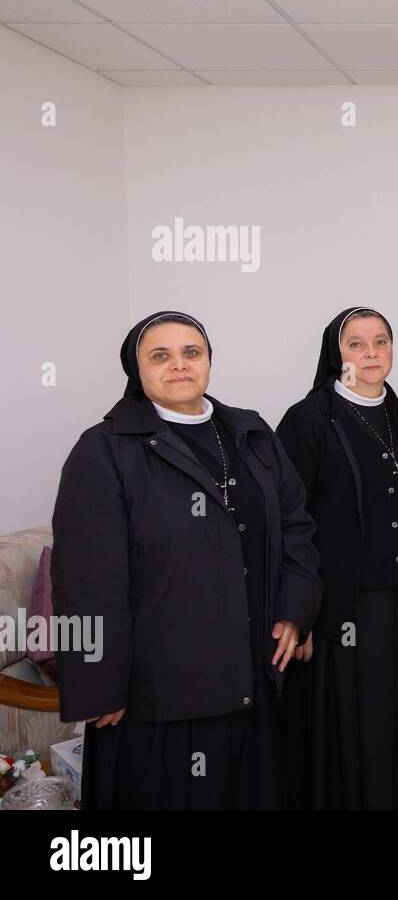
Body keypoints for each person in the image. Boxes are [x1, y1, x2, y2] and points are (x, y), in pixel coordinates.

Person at [52, 311, 321, 809]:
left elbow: (297, 528)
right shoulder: (105, 449)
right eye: (160, 355)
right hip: (161, 685)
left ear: (209, 362)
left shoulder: (251, 433)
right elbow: (86, 578)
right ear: (137, 370)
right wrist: (97, 683)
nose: (178, 364)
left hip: (251, 670)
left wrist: (295, 609)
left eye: (191, 352)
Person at [276, 307, 398, 808]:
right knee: (364, 721)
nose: (371, 352)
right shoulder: (306, 421)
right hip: (347, 605)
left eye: (381, 341)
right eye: (356, 344)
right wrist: (300, 610)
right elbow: (288, 525)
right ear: (337, 355)